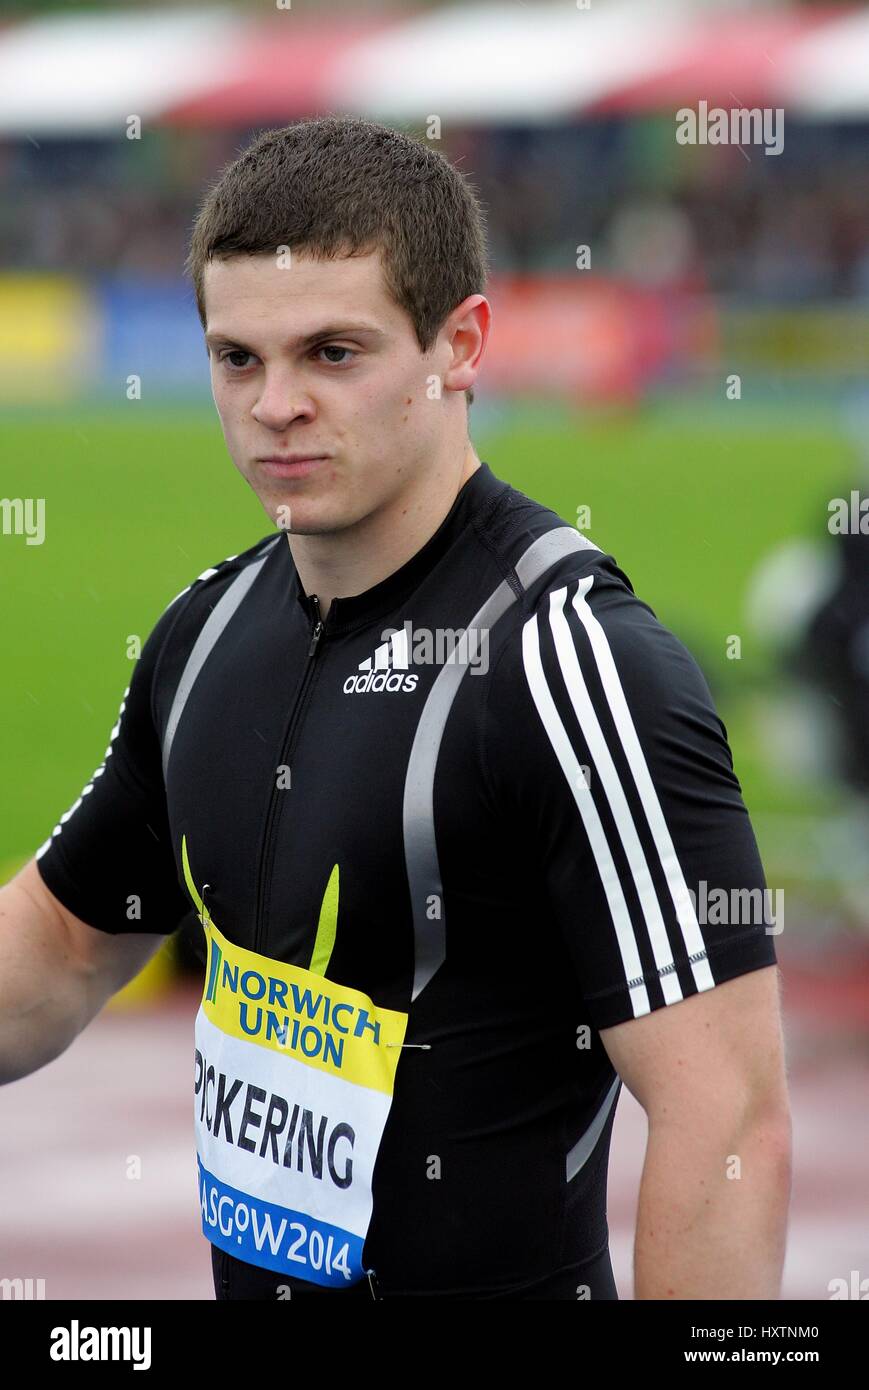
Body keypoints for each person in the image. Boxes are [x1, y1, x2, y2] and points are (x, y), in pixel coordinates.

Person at [0, 116, 791, 1300]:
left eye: (331, 352)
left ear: (459, 342)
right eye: (236, 358)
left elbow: (724, 1117)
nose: (274, 406)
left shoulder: (571, 663)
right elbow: (62, 945)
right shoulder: (203, 633)